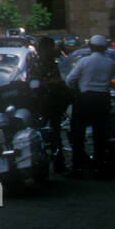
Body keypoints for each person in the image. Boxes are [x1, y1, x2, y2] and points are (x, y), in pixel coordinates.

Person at [66, 34, 115, 178]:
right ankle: (99, 167)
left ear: (91, 47)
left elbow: (70, 79)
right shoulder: (110, 62)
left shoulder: (84, 61)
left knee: (78, 134)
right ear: (104, 48)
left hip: (85, 98)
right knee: (100, 135)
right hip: (102, 99)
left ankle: (77, 168)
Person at [33, 36, 70, 173]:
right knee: (43, 132)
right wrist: (52, 83)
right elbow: (34, 82)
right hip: (42, 102)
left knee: (55, 133)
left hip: (54, 101)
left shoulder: (52, 62)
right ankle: (41, 164)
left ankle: (58, 163)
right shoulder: (37, 63)